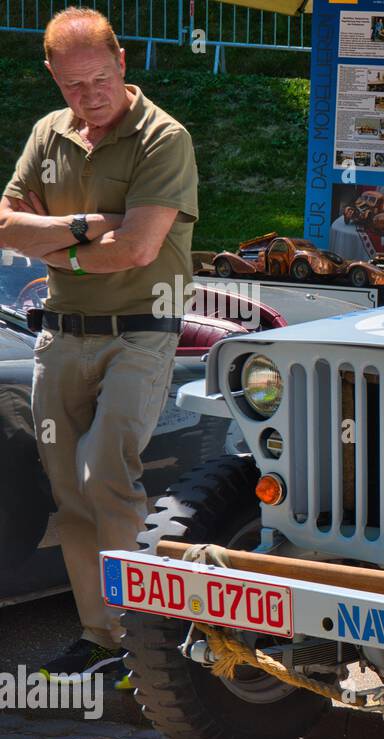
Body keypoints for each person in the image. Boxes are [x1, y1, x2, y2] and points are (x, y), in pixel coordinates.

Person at [0, 8, 199, 687]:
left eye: (101, 78)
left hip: (141, 331)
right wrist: (88, 227)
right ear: (54, 78)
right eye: (74, 85)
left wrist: (60, 250)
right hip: (60, 335)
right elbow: (3, 226)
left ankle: (148, 639)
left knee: (106, 477)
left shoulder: (163, 137)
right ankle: (100, 636)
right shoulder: (46, 134)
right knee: (68, 491)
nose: (91, 96)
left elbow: (140, 248)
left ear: (123, 60)